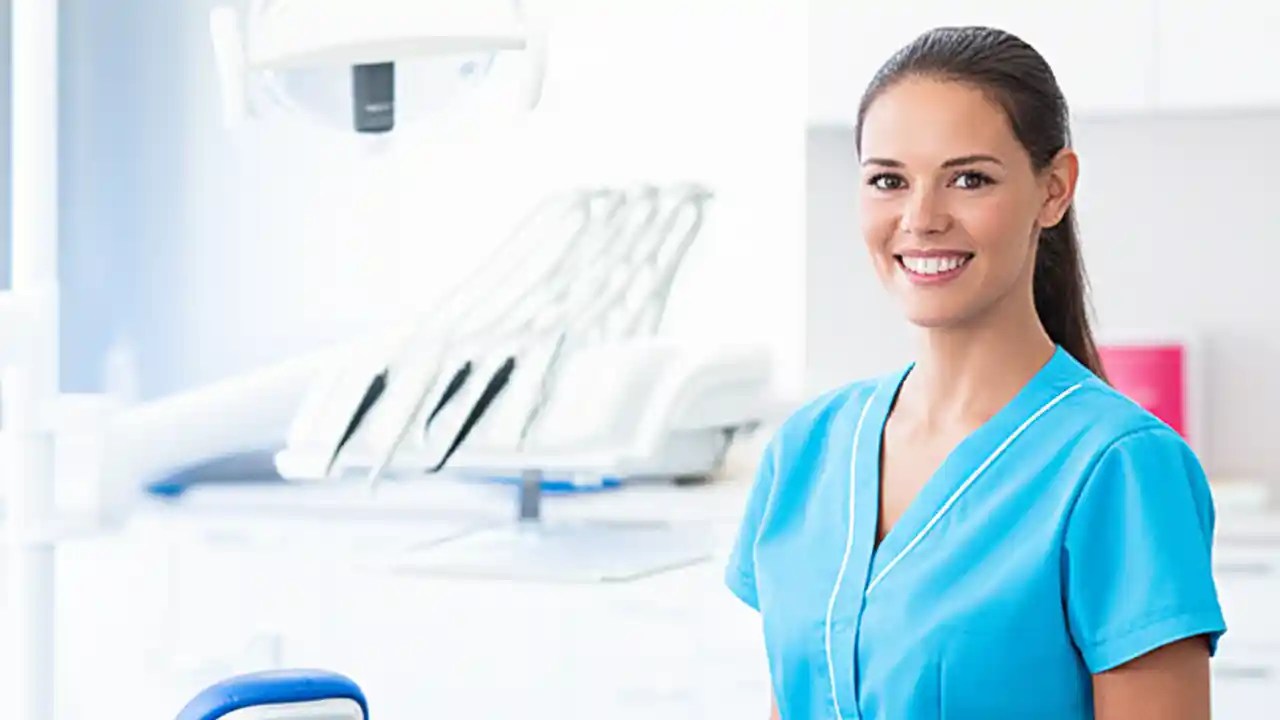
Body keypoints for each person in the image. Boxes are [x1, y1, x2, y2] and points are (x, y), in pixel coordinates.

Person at [726, 26, 1226, 720]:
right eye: (888, 180)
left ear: (1054, 191)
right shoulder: (806, 450)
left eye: (969, 179)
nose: (921, 218)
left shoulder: (1121, 469)